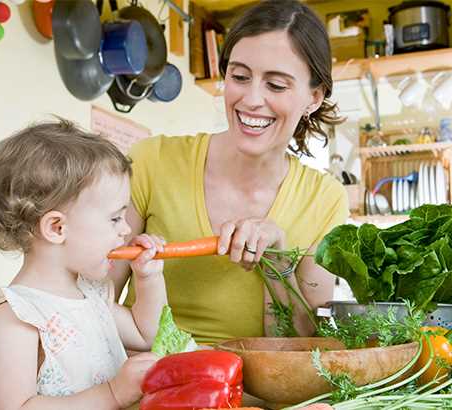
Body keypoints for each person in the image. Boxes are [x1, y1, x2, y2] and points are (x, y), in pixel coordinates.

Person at [111, 0, 351, 344]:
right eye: (239, 76)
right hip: (149, 384)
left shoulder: (324, 199)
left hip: (253, 393)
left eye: (276, 85)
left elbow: (300, 346)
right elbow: (96, 297)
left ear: (313, 97)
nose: (251, 99)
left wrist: (277, 263)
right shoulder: (152, 161)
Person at [0, 120, 167, 409]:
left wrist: (148, 279)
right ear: (57, 228)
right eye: (114, 218)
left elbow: (145, 334)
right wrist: (111, 394)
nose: (126, 230)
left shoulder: (93, 296)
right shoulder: (17, 317)